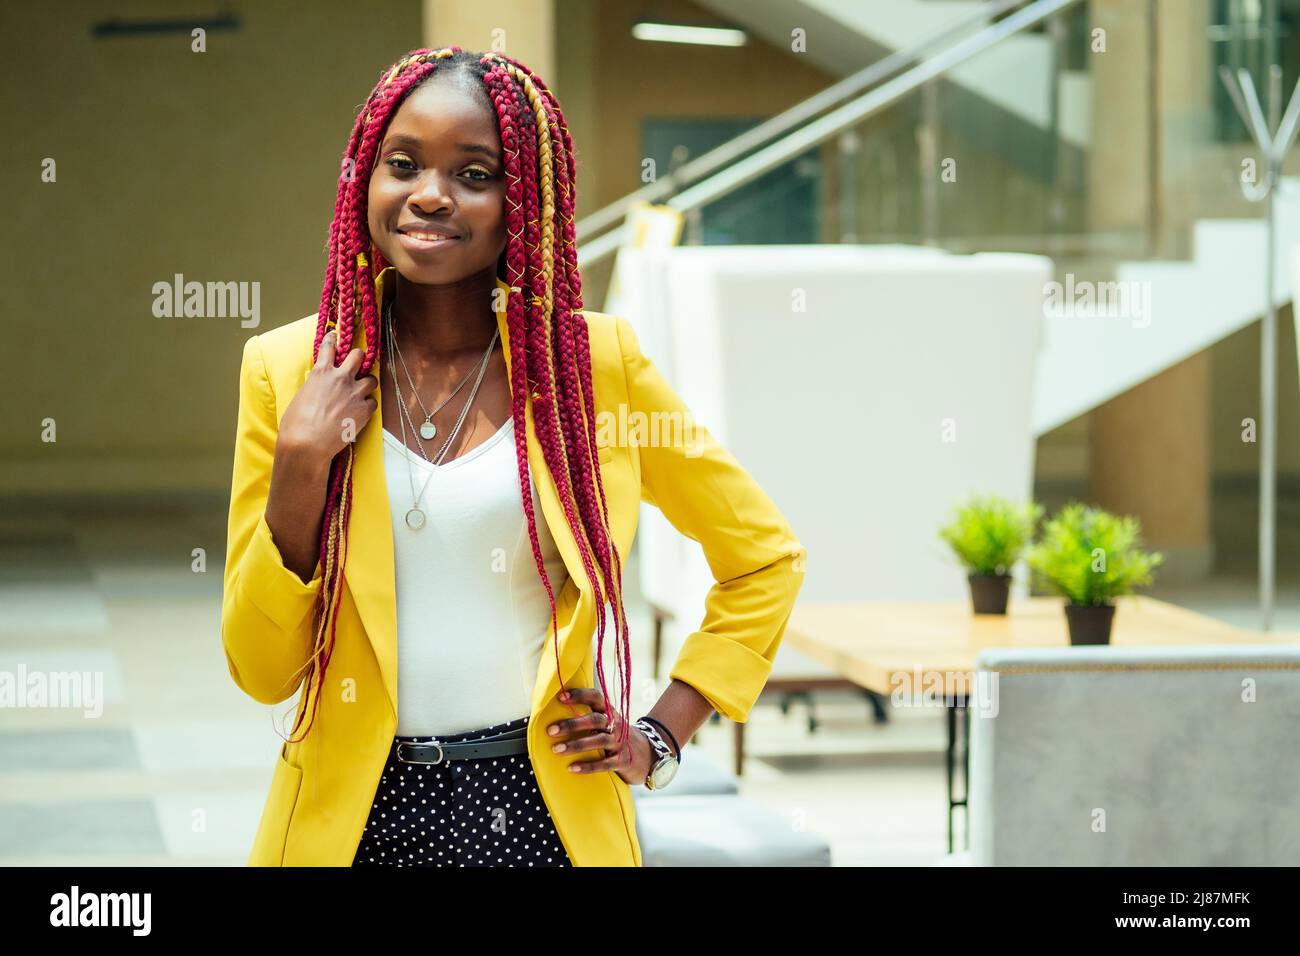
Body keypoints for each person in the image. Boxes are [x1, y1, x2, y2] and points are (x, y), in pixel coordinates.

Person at [220, 46, 806, 867]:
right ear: (366, 182)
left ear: (523, 203)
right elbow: (260, 669)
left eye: (474, 173)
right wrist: (300, 464)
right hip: (353, 819)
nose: (429, 194)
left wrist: (662, 732)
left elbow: (763, 558)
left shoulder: (596, 372)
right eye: (403, 164)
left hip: (543, 812)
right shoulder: (289, 373)